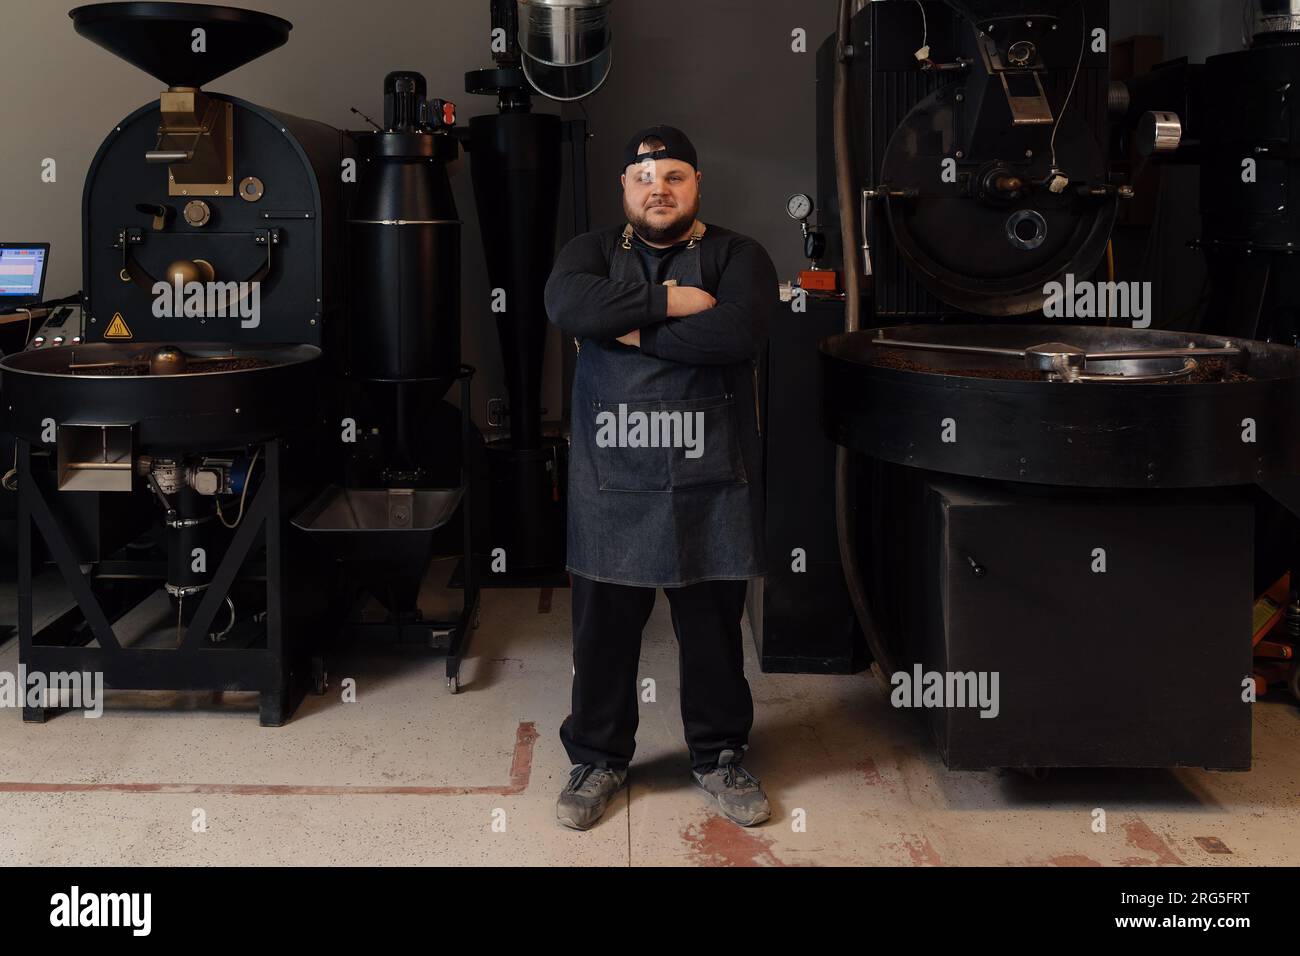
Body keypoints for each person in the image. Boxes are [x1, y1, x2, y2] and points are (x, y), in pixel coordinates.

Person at [543, 125, 778, 830]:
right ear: (624, 188)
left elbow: (737, 334)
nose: (659, 188)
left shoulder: (739, 254)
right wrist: (672, 304)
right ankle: (597, 757)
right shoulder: (589, 251)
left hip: (710, 477)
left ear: (696, 184)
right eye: (645, 177)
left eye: (674, 175)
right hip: (612, 476)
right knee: (602, 633)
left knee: (712, 629)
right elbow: (566, 307)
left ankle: (718, 755)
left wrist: (627, 327)